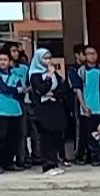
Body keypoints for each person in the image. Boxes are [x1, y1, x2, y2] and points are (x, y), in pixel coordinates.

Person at [27, 47, 69, 175]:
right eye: (45, 58)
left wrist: (54, 94)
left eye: (49, 58)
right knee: (46, 137)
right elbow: (41, 90)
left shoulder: (54, 73)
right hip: (43, 109)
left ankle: (55, 162)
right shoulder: (35, 75)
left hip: (54, 107)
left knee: (56, 135)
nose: (48, 61)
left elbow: (63, 87)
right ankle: (47, 165)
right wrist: (49, 76)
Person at [0, 49, 26, 171]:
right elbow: (4, 88)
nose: (2, 62)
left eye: (5, 60)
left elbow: (20, 91)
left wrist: (17, 90)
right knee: (2, 137)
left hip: (15, 110)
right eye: (0, 60)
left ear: (10, 61)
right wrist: (16, 90)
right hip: (1, 110)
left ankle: (9, 162)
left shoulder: (15, 76)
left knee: (13, 138)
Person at [74, 44, 100, 166]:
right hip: (88, 107)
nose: (92, 56)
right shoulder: (81, 71)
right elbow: (78, 90)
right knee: (89, 134)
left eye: (94, 53)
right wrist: (83, 106)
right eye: (89, 54)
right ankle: (93, 157)